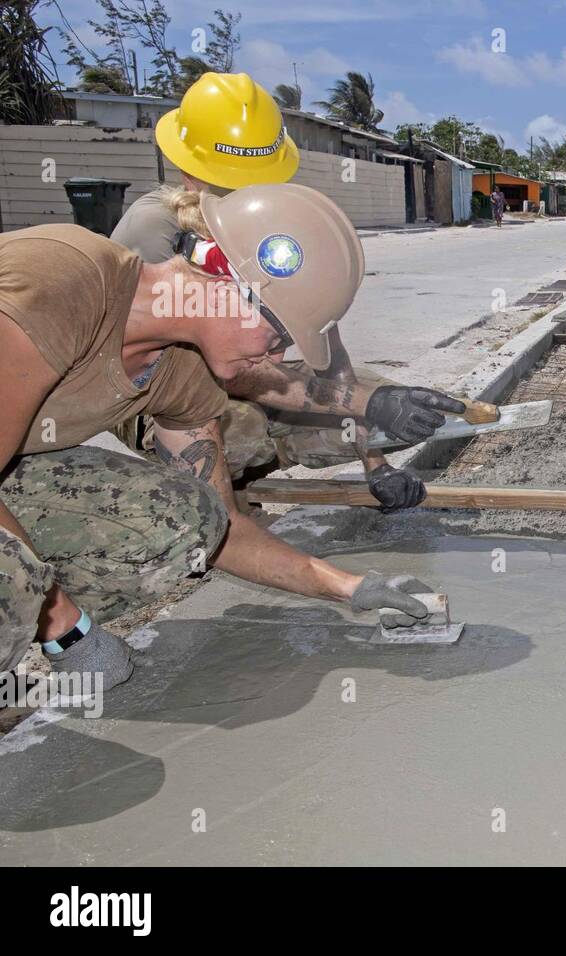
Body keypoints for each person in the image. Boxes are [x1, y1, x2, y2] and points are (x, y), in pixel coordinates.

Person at [0, 183, 463, 693]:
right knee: (12, 578)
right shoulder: (64, 276)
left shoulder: (181, 373)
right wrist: (66, 629)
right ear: (227, 289)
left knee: (187, 519)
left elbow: (223, 531)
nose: (278, 358)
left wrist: (354, 588)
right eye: (281, 337)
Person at [111, 72, 444, 513]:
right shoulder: (155, 229)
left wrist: (376, 463)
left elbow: (329, 347)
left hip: (246, 376)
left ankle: (259, 465)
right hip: (157, 393)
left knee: (397, 405)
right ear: (187, 168)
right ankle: (214, 504)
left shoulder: (275, 222)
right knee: (243, 425)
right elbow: (214, 373)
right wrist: (354, 404)